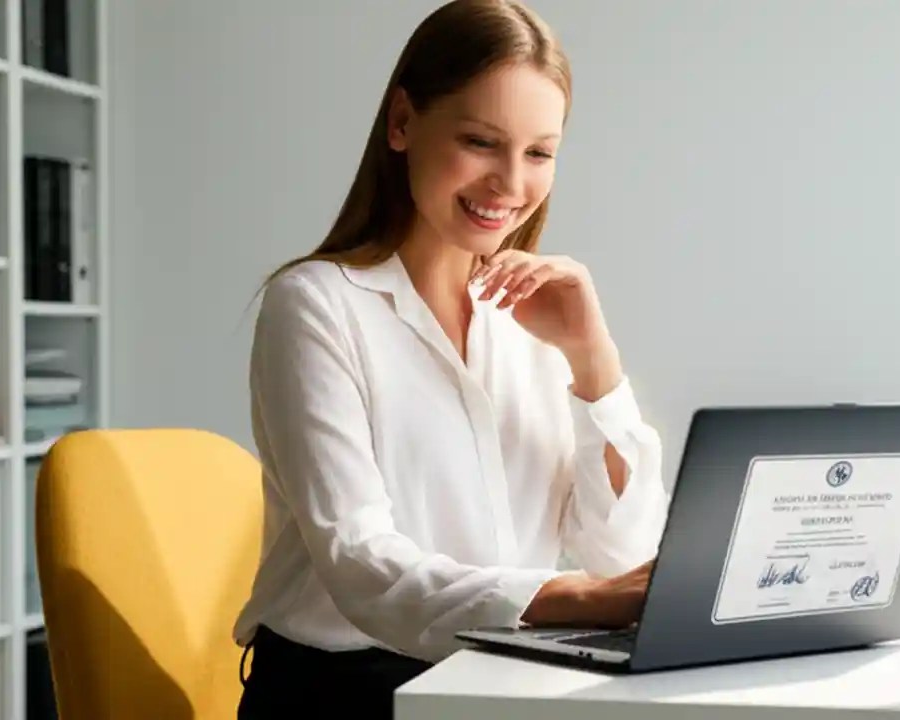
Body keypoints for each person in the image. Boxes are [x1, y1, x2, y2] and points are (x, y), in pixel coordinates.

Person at [232, 0, 669, 716]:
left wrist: (594, 361)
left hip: (497, 677)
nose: (510, 184)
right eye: (480, 141)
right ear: (402, 122)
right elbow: (361, 565)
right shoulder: (314, 305)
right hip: (344, 692)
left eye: (538, 153)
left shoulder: (533, 318)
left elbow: (619, 554)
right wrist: (582, 597)